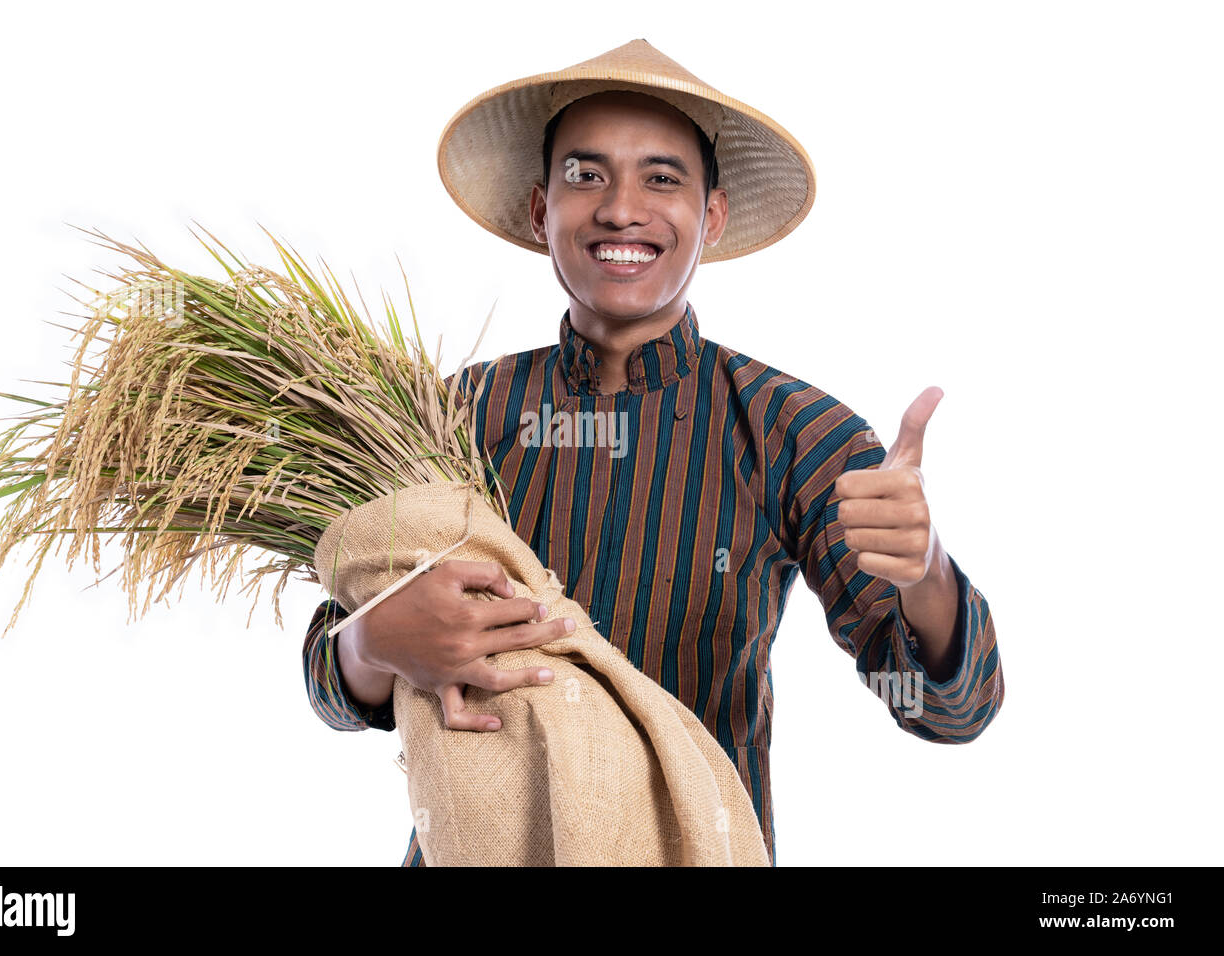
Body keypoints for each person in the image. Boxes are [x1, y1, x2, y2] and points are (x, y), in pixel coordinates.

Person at [302, 39, 1005, 867]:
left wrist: (926, 573)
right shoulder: (449, 417)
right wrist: (373, 643)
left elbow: (949, 710)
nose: (621, 208)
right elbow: (332, 678)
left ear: (710, 217)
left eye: (661, 178)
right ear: (540, 211)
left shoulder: (794, 429)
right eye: (586, 175)